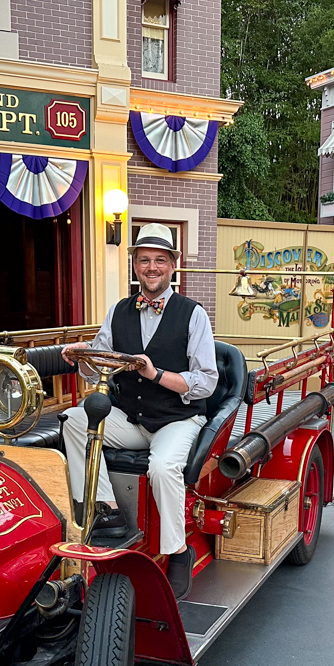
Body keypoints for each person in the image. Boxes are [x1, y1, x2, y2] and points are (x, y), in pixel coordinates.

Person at [61, 223, 218, 599]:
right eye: (144, 259)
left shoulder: (193, 314)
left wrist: (156, 374)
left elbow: (207, 381)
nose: (152, 267)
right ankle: (108, 509)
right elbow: (101, 362)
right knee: (75, 420)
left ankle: (178, 552)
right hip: (133, 418)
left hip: (177, 419)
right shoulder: (118, 312)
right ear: (134, 265)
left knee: (163, 467)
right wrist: (78, 357)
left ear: (172, 267)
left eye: (160, 260)